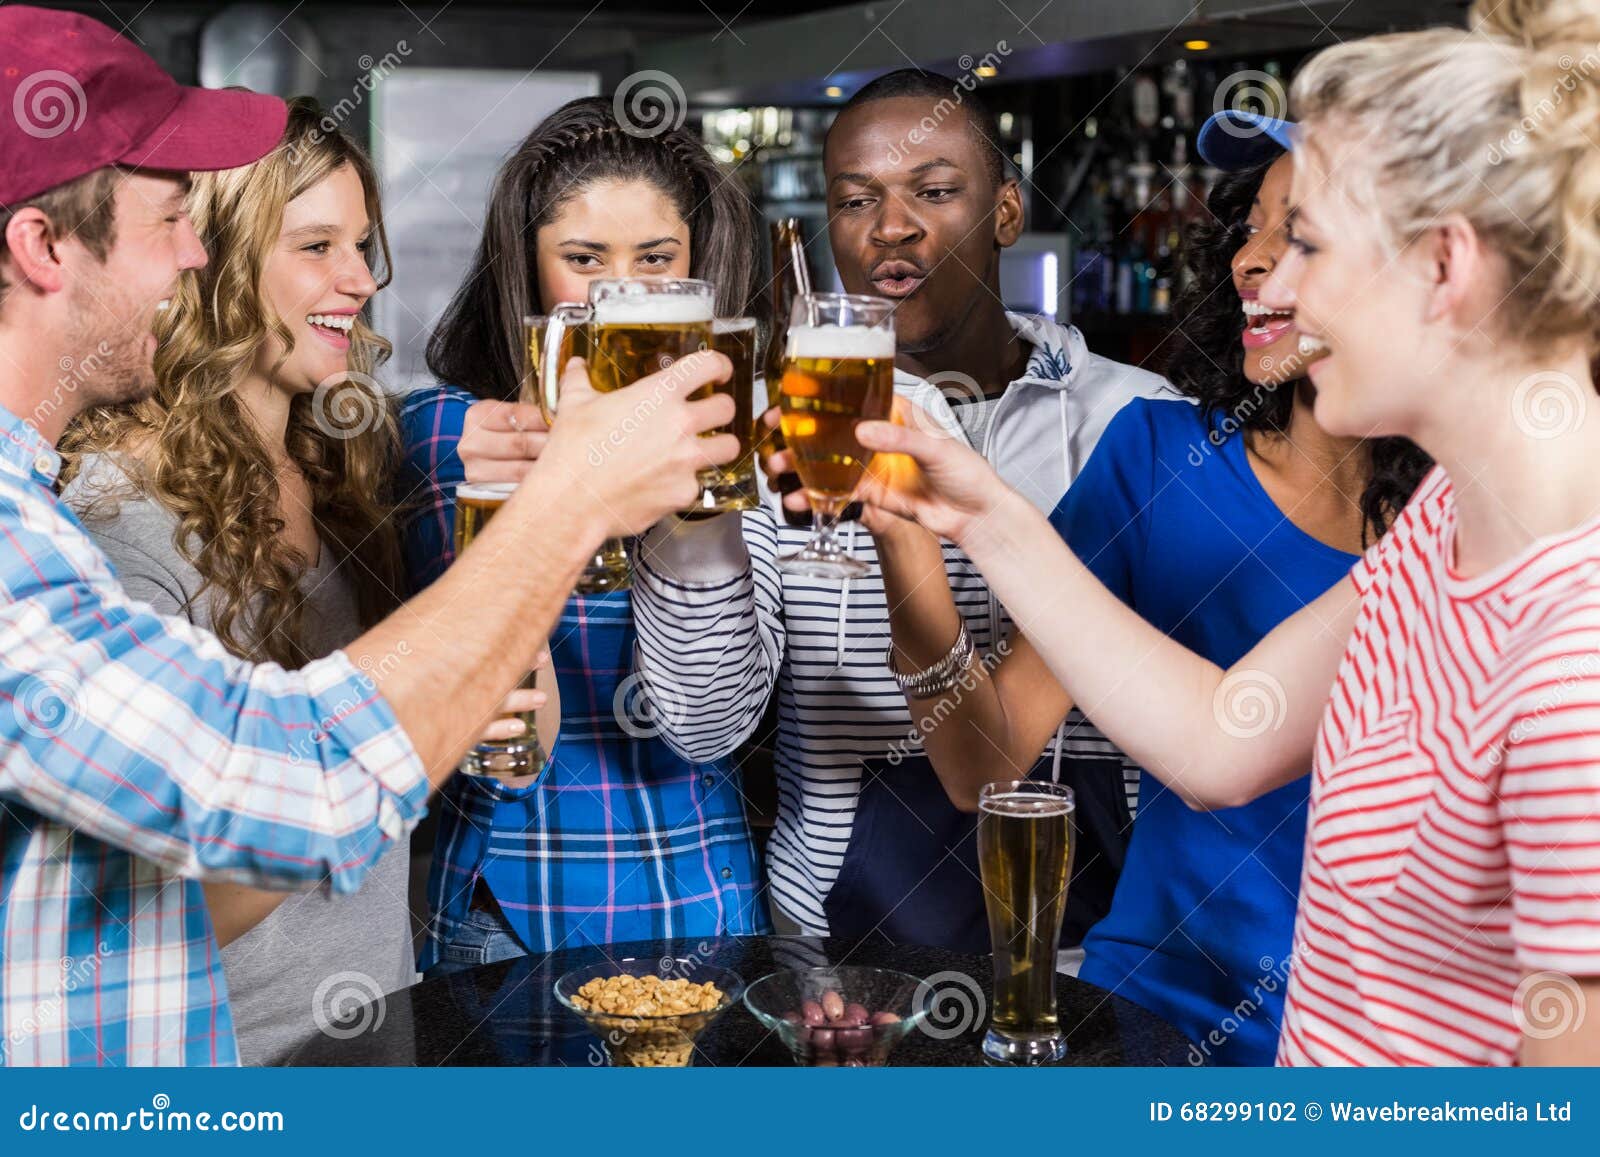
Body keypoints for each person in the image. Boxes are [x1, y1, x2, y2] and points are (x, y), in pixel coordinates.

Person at [833, 0, 1600, 1065]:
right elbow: (1217, 741)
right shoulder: (1445, 526)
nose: (1268, 280)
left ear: (1443, 267)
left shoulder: (1575, 658)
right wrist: (975, 507)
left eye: (1313, 244)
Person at [0, 6, 738, 1066]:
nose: (191, 253)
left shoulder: (352, 463)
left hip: (371, 1016)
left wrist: (473, 705)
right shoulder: (64, 531)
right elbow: (267, 813)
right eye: (169, 220)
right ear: (43, 246)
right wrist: (570, 501)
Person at [857, 112, 1430, 1063]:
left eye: (1302, 237)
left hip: (1377, 1041)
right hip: (1148, 1009)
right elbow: (983, 764)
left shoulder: (1475, 524)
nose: (1253, 262)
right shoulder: (1161, 458)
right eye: (1250, 224)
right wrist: (907, 536)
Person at [628, 70, 1174, 951]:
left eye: (934, 190)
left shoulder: (1138, 420)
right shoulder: (774, 429)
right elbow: (703, 723)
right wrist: (698, 514)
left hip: (1097, 952)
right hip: (849, 963)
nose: (892, 225)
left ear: (1003, 212)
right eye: (855, 199)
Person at [58, 99, 531, 1065]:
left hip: (377, 1036)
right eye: (317, 245)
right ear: (213, 260)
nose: (358, 280)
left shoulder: (346, 468)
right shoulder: (114, 521)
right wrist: (402, 703)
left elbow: (508, 736)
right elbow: (168, 905)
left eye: (362, 244)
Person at [398, 95, 768, 970]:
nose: (623, 291)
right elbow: (505, 754)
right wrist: (555, 489)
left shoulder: (736, 447)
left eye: (656, 258)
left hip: (708, 904)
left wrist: (688, 512)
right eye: (584, 259)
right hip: (519, 918)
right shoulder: (459, 436)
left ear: (696, 270)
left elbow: (712, 724)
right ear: (527, 273)